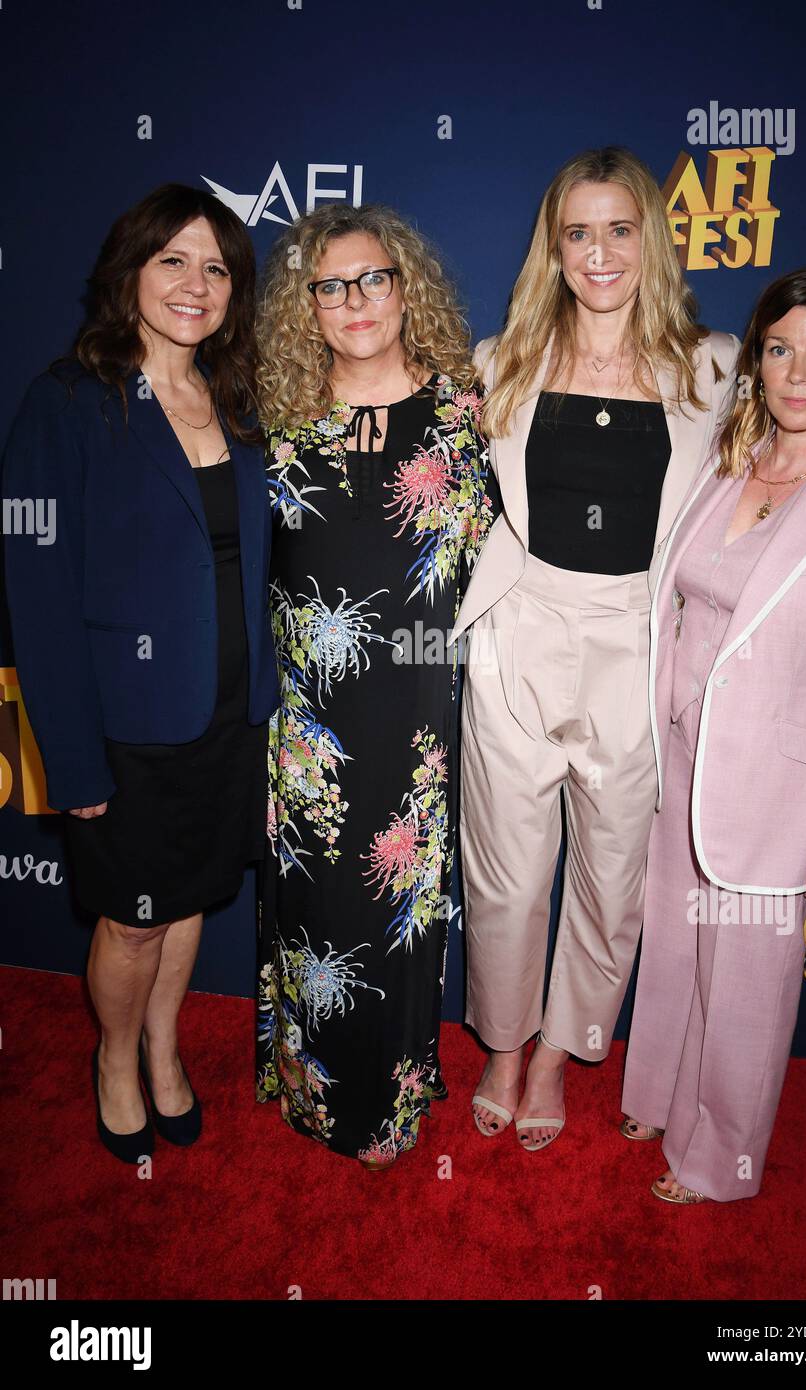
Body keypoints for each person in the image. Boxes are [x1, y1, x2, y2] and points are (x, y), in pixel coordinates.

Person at [451, 147, 740, 1150]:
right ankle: (500, 1040)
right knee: (504, 872)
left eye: (620, 228)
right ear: (554, 245)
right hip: (520, 632)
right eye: (578, 231)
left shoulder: (716, 366)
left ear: (649, 239)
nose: (599, 251)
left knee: (610, 875)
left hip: (637, 641)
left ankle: (560, 1048)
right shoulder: (500, 361)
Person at [2, 184, 278, 1163]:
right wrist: (66, 759)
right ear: (131, 271)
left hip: (234, 708)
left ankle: (165, 1047)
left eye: (216, 268)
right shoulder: (68, 401)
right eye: (174, 260)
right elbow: (33, 594)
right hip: (127, 720)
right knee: (131, 918)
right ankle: (115, 1057)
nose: (196, 284)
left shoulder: (237, 400)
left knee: (193, 897)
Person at [620, 265, 806, 1202]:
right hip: (683, 754)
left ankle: (719, 1157)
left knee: (745, 980)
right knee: (677, 938)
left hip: (782, 781)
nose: (798, 371)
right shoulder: (726, 462)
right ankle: (656, 1093)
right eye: (779, 349)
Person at [255, 204, 492, 1168]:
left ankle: (390, 1105)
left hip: (421, 718)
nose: (354, 300)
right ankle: (311, 1093)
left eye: (373, 279)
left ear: (406, 288)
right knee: (317, 919)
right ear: (304, 307)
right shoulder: (275, 424)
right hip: (315, 727)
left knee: (398, 920)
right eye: (330, 285)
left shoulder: (470, 406)